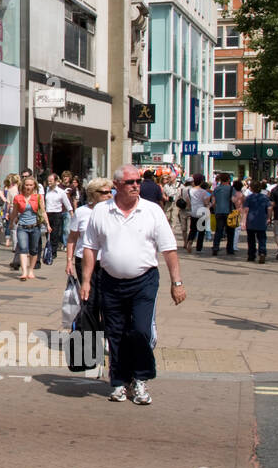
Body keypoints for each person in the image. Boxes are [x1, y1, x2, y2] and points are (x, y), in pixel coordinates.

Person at [80, 165, 186, 406]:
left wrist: (176, 282)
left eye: (137, 181)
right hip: (110, 282)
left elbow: (168, 248)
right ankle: (119, 381)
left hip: (144, 281)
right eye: (130, 182)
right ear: (116, 186)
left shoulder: (152, 211)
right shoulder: (101, 211)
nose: (136, 185)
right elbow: (90, 247)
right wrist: (86, 281)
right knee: (115, 333)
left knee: (140, 331)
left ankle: (140, 379)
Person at [66, 177, 113, 281]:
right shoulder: (81, 212)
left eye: (110, 191)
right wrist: (69, 261)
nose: (109, 195)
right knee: (87, 295)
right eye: (105, 192)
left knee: (104, 296)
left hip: (107, 261)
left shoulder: (114, 212)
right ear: (93, 194)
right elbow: (72, 238)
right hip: (83, 259)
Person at [11, 175, 49, 280]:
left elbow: (43, 211)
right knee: (23, 248)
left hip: (35, 227)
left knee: (34, 250)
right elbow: (14, 212)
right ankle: (24, 272)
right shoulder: (18, 198)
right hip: (22, 227)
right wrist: (11, 223)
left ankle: (31, 270)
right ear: (23, 185)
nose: (28, 187)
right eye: (27, 185)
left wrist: (48, 224)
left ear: (34, 186)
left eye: (31, 185)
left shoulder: (38, 197)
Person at [244, 178, 273, 263]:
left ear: (251, 188)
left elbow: (246, 210)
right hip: (261, 220)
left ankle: (251, 255)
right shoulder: (265, 198)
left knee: (251, 239)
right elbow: (269, 208)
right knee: (262, 238)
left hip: (251, 220)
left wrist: (243, 220)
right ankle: (262, 253)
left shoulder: (249, 198)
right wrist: (269, 218)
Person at [44, 173, 71, 258]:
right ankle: (50, 248)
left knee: (55, 233)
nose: (49, 183)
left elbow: (67, 204)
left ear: (56, 181)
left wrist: (71, 213)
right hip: (47, 214)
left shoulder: (61, 192)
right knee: (47, 232)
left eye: (51, 181)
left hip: (56, 214)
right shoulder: (46, 190)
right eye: (48, 181)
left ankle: (53, 252)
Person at [211, 173, 236, 256]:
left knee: (218, 231)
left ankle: (215, 247)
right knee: (230, 232)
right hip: (229, 212)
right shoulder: (232, 189)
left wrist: (215, 209)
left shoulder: (216, 189)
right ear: (228, 179)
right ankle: (230, 249)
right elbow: (233, 200)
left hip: (219, 212)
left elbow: (213, 202)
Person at [188, 174, 212, 253]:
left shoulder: (191, 190)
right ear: (201, 181)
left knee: (193, 229)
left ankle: (190, 241)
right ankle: (199, 248)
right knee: (201, 230)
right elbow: (206, 202)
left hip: (193, 211)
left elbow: (189, 200)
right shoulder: (203, 192)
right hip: (201, 211)